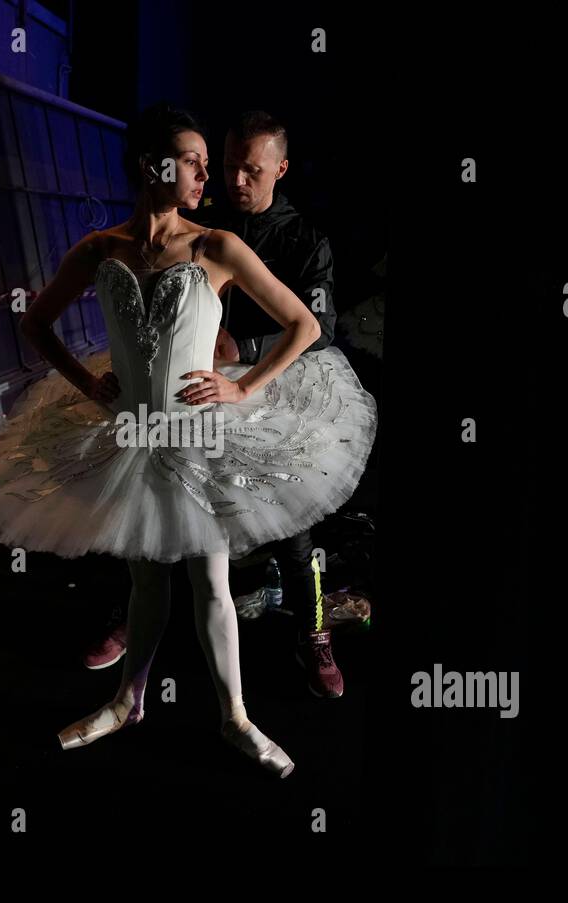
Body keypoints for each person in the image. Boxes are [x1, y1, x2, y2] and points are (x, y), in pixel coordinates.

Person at [0, 104, 377, 778]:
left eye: (206, 165)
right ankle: (128, 702)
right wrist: (85, 381)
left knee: (212, 584)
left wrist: (243, 388)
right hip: (132, 433)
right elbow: (37, 323)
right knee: (145, 584)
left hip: (199, 435)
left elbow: (304, 324)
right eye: (192, 161)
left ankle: (235, 718)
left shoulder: (215, 246)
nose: (205, 174)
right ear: (149, 166)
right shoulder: (100, 249)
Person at [87, 109, 349, 698]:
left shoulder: (307, 241)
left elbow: (319, 326)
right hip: (188, 393)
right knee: (144, 499)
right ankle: (138, 619)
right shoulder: (201, 219)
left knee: (289, 523)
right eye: (227, 166)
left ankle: (313, 630)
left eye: (249, 170)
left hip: (270, 387)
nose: (234, 180)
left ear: (280, 168)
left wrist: (243, 355)